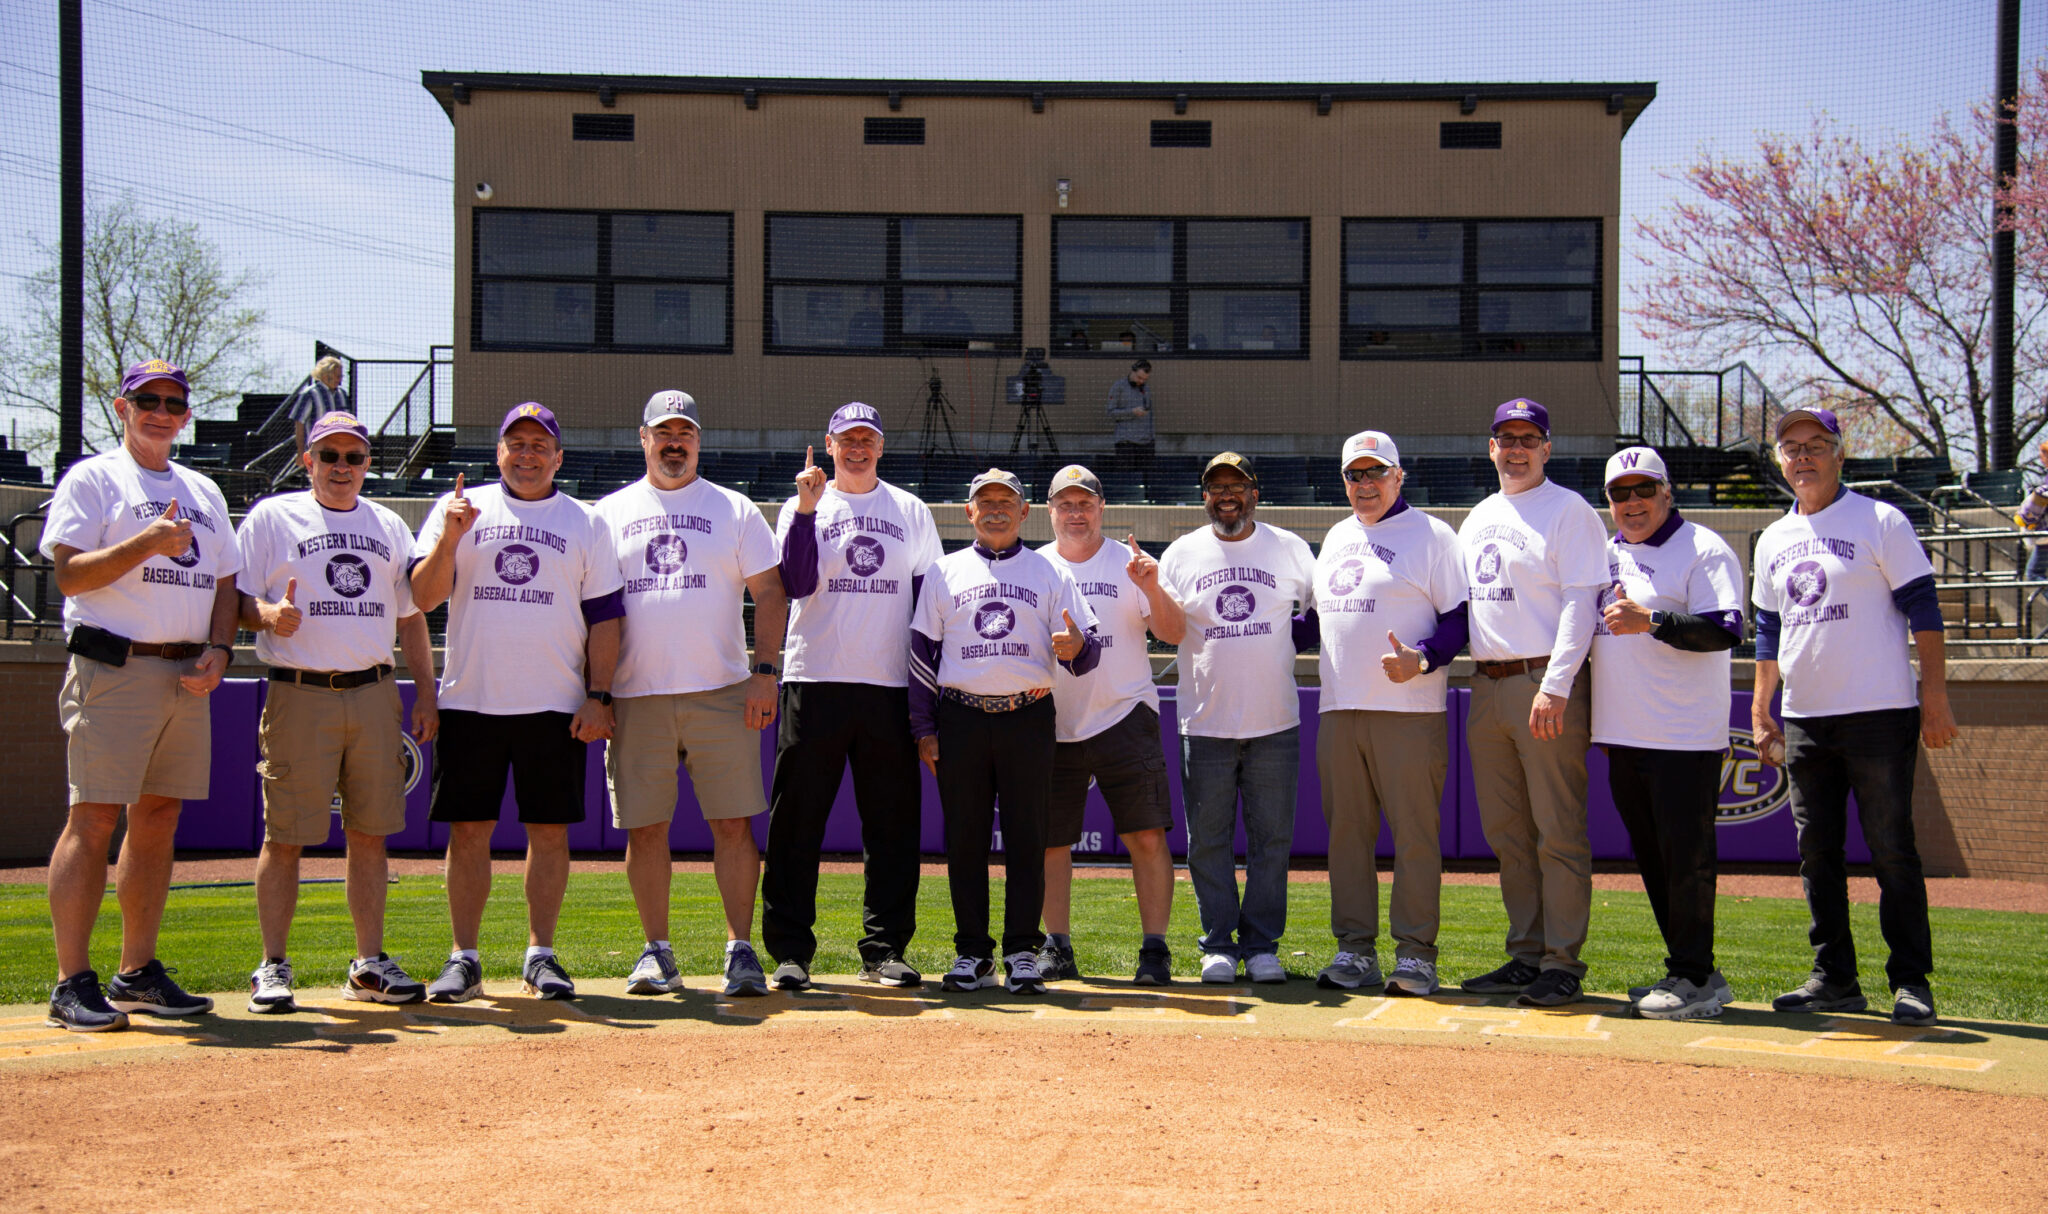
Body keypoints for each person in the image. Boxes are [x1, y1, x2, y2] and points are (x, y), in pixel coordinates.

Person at [40, 359, 241, 1032]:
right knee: (93, 819)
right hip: (114, 666)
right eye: (146, 399)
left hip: (186, 673)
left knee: (157, 821)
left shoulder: (204, 491)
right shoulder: (94, 479)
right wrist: (147, 541)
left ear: (186, 415)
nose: (160, 410)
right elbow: (68, 576)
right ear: (123, 407)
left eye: (173, 402)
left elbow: (224, 586)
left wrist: (220, 650)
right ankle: (71, 981)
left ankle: (137, 973)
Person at [409, 402, 625, 1003]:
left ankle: (540, 954)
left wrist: (598, 694)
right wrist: (451, 537)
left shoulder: (586, 521)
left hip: (554, 703)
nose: (527, 454)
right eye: (516, 443)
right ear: (498, 452)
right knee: (469, 832)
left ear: (558, 456)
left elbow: (605, 616)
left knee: (549, 833)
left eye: (540, 445)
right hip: (471, 701)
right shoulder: (458, 508)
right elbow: (423, 598)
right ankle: (464, 958)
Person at [1752, 407, 1958, 1027]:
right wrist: (1764, 708)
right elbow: (1767, 630)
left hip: (1879, 711)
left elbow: (1924, 609)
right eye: (1792, 447)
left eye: (1817, 445)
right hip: (1806, 717)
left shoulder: (1880, 520)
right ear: (1780, 461)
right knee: (1817, 854)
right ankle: (1835, 978)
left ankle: (1911, 981)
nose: (1804, 457)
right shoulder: (1771, 539)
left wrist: (1937, 696)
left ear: (1840, 454)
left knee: (1893, 851)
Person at [234, 411, 440, 1013]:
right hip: (299, 690)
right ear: (309, 461)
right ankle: (272, 965)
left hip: (374, 690)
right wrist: (266, 617)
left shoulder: (387, 525)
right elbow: (237, 598)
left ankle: (368, 964)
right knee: (286, 835)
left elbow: (410, 619)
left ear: (368, 464)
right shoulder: (273, 517)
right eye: (330, 456)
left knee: (370, 834)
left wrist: (425, 692)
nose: (342, 468)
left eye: (354, 457)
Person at [594, 390, 786, 999]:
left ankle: (740, 950)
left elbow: (772, 593)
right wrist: (597, 692)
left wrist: (765, 670)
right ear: (643, 438)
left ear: (698, 441)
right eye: (663, 432)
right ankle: (658, 952)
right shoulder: (609, 513)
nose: (674, 442)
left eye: (685, 432)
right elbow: (592, 608)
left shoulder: (733, 509)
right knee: (645, 829)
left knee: (732, 824)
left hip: (722, 690)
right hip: (636, 693)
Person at [764, 402, 944, 991]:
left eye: (868, 438)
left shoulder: (910, 510)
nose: (858, 448)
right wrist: (810, 510)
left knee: (892, 826)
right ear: (830, 442)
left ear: (881, 447)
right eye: (848, 439)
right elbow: (794, 583)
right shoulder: (802, 504)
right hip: (814, 680)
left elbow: (929, 608)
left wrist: (927, 696)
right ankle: (791, 951)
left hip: (888, 686)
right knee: (797, 821)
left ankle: (885, 948)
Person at [911, 468, 1100, 994]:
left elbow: (1088, 650)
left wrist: (1076, 649)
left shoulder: (1049, 573)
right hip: (961, 718)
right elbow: (922, 656)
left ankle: (1021, 949)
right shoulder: (942, 573)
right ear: (968, 512)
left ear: (1024, 512)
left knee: (1028, 838)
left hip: (1028, 715)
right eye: (984, 502)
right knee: (964, 839)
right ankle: (972, 952)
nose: (995, 509)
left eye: (1006, 501)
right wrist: (924, 727)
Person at [1456, 399, 1608, 1007]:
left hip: (1543, 680)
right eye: (1505, 437)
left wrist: (1557, 683)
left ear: (1547, 447)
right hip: (1487, 683)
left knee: (1558, 831)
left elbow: (1581, 604)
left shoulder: (1569, 510)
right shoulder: (1479, 516)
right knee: (1508, 833)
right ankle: (1526, 953)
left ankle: (1562, 961)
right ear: (1490, 447)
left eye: (1528, 438)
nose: (1516, 448)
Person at [1591, 446, 1745, 1020]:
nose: (1632, 503)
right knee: (1655, 861)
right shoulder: (1604, 553)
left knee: (1686, 862)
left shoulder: (1702, 548)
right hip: (1624, 733)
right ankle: (1697, 969)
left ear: (1667, 491)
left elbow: (1727, 629)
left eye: (1643, 490)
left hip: (1682, 736)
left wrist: (1652, 621)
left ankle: (1693, 978)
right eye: (1619, 493)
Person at [1313, 431, 1467, 996]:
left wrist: (1423, 660)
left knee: (1415, 836)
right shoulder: (1334, 535)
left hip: (1407, 709)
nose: (1365, 484)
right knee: (1347, 838)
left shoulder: (1433, 536)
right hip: (1339, 708)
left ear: (1399, 477)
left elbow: (1459, 619)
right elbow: (1314, 622)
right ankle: (1354, 951)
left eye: (1376, 473)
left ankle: (1416, 954)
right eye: (1355, 474)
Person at [1157, 452, 1316, 985]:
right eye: (1216, 486)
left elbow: (1317, 615)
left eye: (1237, 485)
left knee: (1271, 840)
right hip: (1204, 724)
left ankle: (1263, 945)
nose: (1227, 494)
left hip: (1274, 722)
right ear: (1204, 496)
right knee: (1207, 840)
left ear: (1255, 491)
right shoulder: (1180, 554)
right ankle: (1217, 944)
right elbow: (1164, 625)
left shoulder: (1290, 548)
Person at [1036, 465, 1187, 985]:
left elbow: (1173, 632)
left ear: (1101, 508)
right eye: (1065, 504)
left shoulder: (1132, 563)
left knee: (1145, 834)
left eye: (1085, 503)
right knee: (1051, 841)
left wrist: (1154, 585)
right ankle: (1056, 945)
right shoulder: (1034, 567)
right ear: (1050, 510)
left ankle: (1155, 948)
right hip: (1051, 722)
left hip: (1125, 713)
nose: (1076, 513)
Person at [287, 355, 350, 457]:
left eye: (341, 376)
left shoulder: (342, 394)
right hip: (317, 451)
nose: (339, 380)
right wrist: (300, 451)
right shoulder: (310, 393)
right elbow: (299, 422)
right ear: (325, 375)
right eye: (337, 376)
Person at [1106, 360, 1155, 469]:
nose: (1141, 381)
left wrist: (1152, 437)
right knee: (1127, 476)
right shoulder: (1119, 387)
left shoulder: (1145, 388)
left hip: (1145, 442)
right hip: (1126, 442)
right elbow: (1110, 413)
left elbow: (1150, 413)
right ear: (1132, 371)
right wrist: (1132, 412)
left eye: (1144, 379)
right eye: (1139, 377)